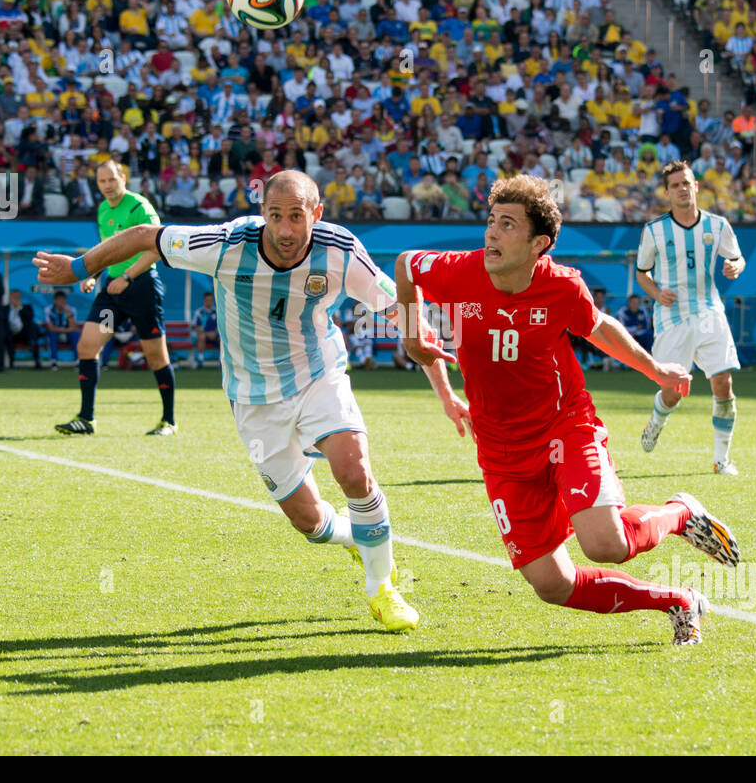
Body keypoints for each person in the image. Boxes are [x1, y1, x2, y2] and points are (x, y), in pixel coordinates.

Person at [33, 170, 451, 632]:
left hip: (318, 376)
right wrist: (78, 268)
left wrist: (447, 395)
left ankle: (382, 588)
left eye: (297, 216)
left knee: (354, 471)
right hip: (253, 397)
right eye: (276, 216)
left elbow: (403, 311)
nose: (286, 229)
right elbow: (143, 236)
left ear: (316, 214)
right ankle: (354, 537)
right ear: (262, 213)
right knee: (309, 522)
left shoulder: (341, 250)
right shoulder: (227, 244)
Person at [395, 174, 737, 646]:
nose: (492, 233)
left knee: (606, 544)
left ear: (539, 244)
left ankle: (681, 513)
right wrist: (413, 335)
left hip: (565, 427)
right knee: (552, 585)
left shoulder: (562, 287)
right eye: (491, 221)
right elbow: (405, 265)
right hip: (500, 450)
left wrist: (656, 369)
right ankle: (680, 601)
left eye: (508, 225)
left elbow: (599, 328)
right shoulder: (456, 271)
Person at [636, 160, 746, 474]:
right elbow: (642, 273)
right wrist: (657, 293)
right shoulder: (655, 230)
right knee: (673, 392)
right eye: (675, 185)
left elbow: (738, 258)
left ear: (695, 186)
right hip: (672, 317)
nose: (682, 189)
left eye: (686, 183)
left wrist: (736, 267)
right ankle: (656, 421)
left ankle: (721, 460)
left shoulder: (718, 225)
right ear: (667, 193)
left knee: (723, 381)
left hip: (709, 310)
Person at [54, 159, 177, 435]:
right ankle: (86, 419)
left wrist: (128, 277)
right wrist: (92, 274)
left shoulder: (139, 207)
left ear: (123, 178)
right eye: (102, 181)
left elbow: (157, 249)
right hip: (112, 291)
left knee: (156, 357)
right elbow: (107, 251)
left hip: (142, 288)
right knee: (87, 346)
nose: (107, 185)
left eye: (112, 179)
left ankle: (169, 421)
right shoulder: (102, 210)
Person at [43, 290, 82, 368]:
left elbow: (73, 327)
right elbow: (51, 328)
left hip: (67, 334)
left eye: (63, 300)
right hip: (56, 333)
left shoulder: (71, 310)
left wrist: (68, 313)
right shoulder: (49, 310)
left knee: (74, 335)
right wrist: (66, 330)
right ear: (55, 301)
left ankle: (77, 361)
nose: (62, 302)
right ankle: (54, 361)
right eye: (59, 300)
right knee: (52, 334)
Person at [5, 289, 42, 369]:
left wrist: (20, 307)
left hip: (24, 333)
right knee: (7, 338)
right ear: (10, 298)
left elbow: (30, 318)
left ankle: (37, 362)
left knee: (32, 331)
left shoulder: (26, 307)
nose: (16, 299)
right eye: (14, 297)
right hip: (11, 334)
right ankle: (11, 363)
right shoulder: (5, 309)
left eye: (18, 297)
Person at [190, 290, 219, 368]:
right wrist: (205, 333)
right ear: (204, 300)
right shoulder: (199, 312)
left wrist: (215, 332)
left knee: (222, 339)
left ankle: (221, 360)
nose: (209, 302)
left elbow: (221, 325)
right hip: (203, 336)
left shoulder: (217, 311)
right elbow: (194, 326)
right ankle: (200, 359)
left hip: (215, 335)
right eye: (207, 300)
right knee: (201, 336)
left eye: (211, 300)